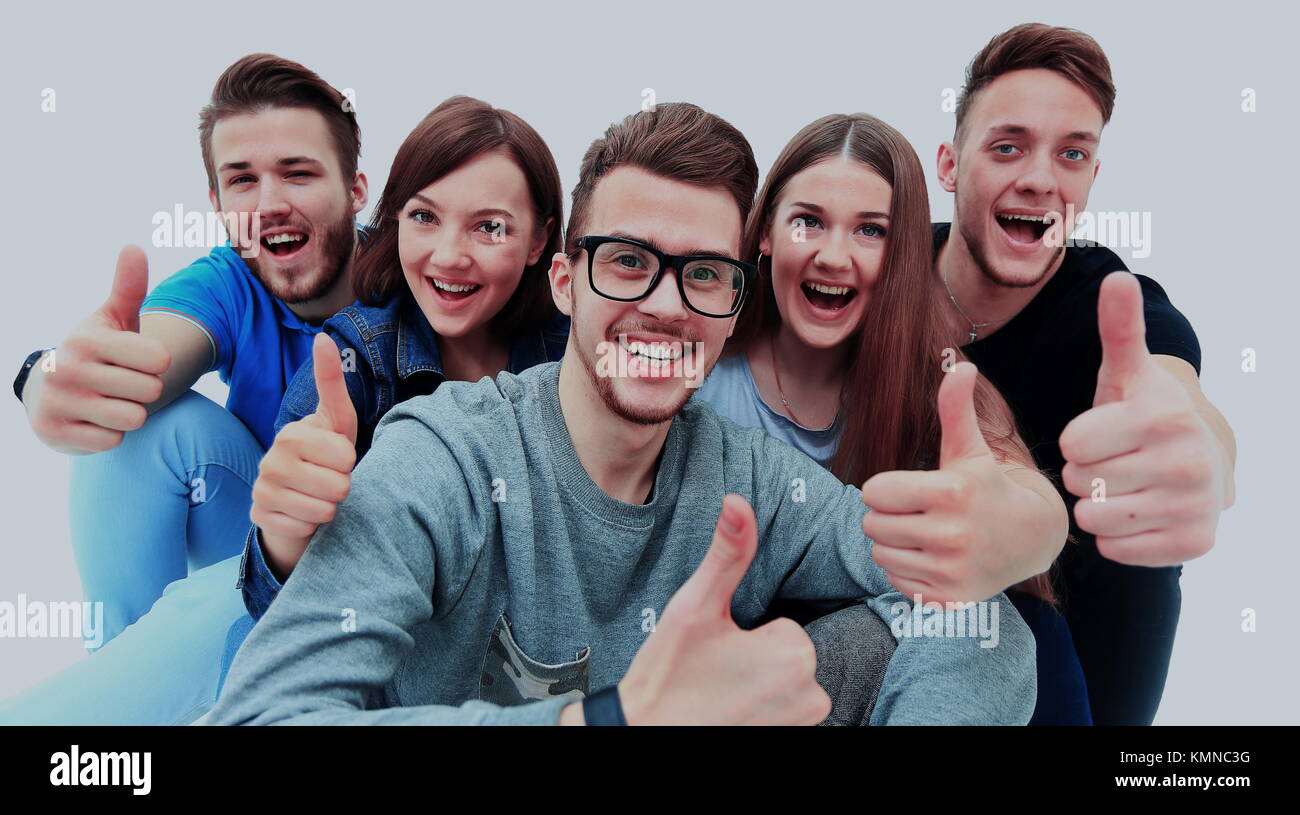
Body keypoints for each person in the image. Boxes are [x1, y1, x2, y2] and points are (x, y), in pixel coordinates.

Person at [207, 102, 1036, 726]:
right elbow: (264, 715)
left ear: (734, 300)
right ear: (566, 283)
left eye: (704, 274)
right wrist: (615, 716)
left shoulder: (749, 475)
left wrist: (1016, 531)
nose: (665, 306)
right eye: (629, 261)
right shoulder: (444, 457)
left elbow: (966, 610)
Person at [2, 53, 367, 725]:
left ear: (355, 190)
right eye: (242, 180)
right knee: (137, 422)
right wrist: (52, 380)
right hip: (269, 544)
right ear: (217, 204)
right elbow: (142, 358)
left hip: (378, 579)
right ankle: (125, 689)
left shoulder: (419, 277)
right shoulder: (230, 280)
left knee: (236, 594)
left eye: (298, 172)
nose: (269, 203)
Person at [695, 111, 1082, 723]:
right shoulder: (700, 370)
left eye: (870, 231)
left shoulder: (931, 382)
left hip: (863, 673)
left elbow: (1020, 493)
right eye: (807, 222)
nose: (833, 255)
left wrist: (1021, 527)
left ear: (901, 252)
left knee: (1005, 624)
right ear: (764, 232)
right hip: (712, 679)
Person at [932, 23, 1237, 724]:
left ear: (1092, 178)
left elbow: (1178, 397)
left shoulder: (1116, 306)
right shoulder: (881, 273)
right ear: (949, 165)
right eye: (1008, 146)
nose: (1040, 177)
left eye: (1072, 154)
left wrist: (1202, 459)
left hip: (1085, 649)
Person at [215, 95, 568, 685]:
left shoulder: (573, 352)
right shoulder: (352, 360)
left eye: (489, 227)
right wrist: (284, 535)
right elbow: (275, 606)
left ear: (538, 242)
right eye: (424, 217)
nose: (449, 256)